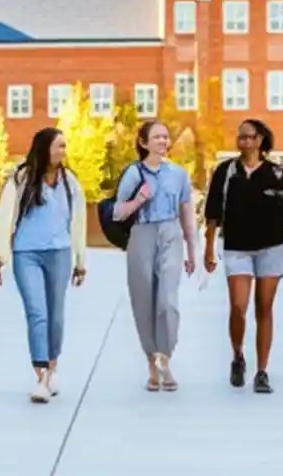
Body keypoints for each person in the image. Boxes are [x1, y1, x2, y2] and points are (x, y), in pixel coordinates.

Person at [204, 119, 283, 394]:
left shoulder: (278, 173)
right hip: (236, 247)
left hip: (272, 247)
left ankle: (262, 371)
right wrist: (208, 248)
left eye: (249, 137)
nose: (244, 142)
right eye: (240, 137)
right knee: (238, 306)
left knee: (264, 308)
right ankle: (238, 356)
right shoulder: (226, 172)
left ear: (260, 140)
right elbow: (213, 213)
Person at [0, 127, 88, 403]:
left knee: (55, 314)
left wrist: (80, 261)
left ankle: (53, 365)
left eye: (65, 146)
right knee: (37, 313)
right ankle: (42, 376)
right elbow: (5, 217)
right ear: (45, 148)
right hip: (27, 254)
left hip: (59, 253)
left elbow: (78, 222)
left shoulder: (70, 182)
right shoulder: (21, 178)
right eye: (59, 146)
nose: (63, 151)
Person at [112, 120, 197, 391]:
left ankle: (165, 358)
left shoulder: (178, 174)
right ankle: (152, 363)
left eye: (165, 137)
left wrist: (192, 250)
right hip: (142, 234)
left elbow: (187, 213)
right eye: (157, 137)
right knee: (144, 301)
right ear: (143, 143)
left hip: (171, 233)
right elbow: (117, 213)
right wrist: (138, 200)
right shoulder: (133, 173)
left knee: (168, 300)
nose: (163, 141)